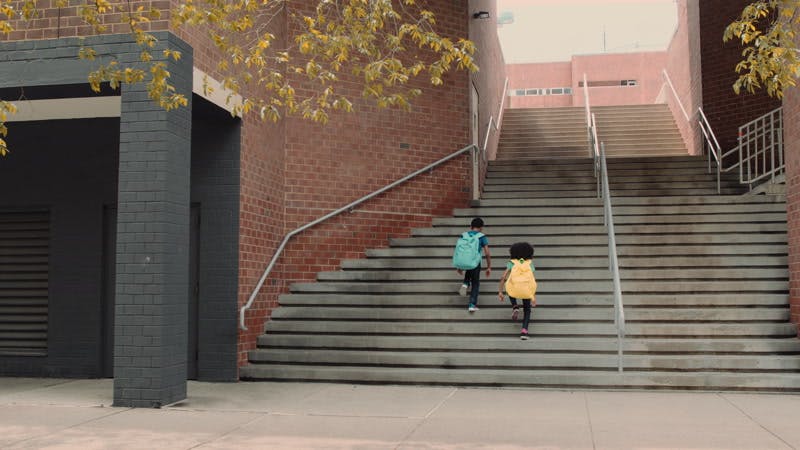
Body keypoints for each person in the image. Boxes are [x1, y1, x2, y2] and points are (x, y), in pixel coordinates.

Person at [497, 242, 536, 340]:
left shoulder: (511, 262)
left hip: (514, 289)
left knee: (510, 286)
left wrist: (500, 292)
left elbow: (503, 277)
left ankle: (515, 306)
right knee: (527, 310)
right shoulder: (530, 264)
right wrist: (533, 296)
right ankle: (524, 331)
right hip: (526, 290)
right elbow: (531, 280)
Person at [456, 217, 491, 312]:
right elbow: (487, 253)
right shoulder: (481, 236)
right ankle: (472, 304)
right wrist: (488, 267)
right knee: (475, 283)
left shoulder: (464, 235)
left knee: (469, 269)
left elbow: (459, 251)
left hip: (465, 260)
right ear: (481, 228)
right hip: (475, 262)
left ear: (471, 227)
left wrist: (459, 266)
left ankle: (465, 283)